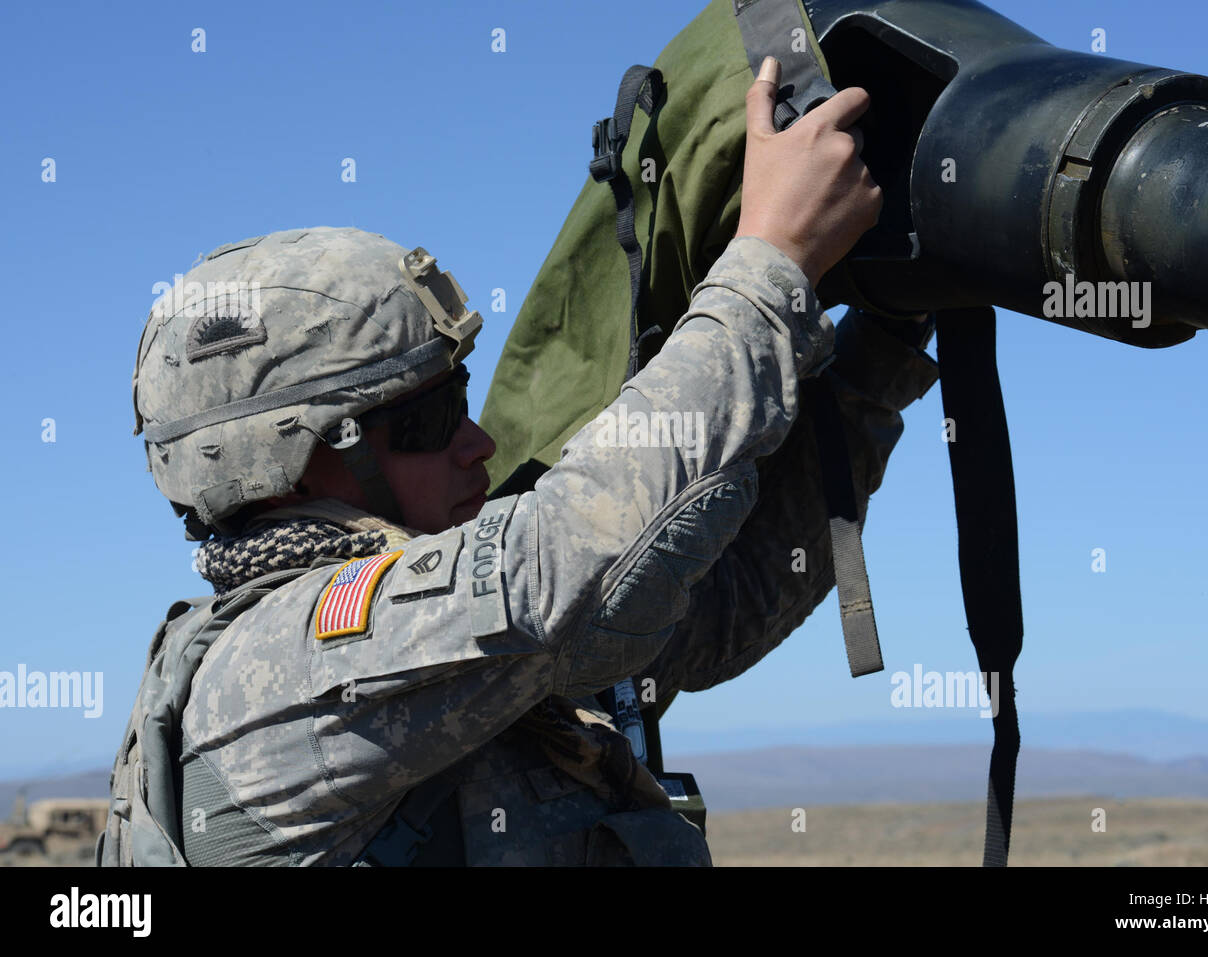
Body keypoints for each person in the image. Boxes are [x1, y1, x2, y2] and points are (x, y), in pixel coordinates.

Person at [100, 58, 937, 866]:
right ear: (306, 460)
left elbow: (715, 608)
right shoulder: (276, 669)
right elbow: (559, 572)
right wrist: (771, 263)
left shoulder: (459, 655)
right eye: (427, 420)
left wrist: (887, 345)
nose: (479, 443)